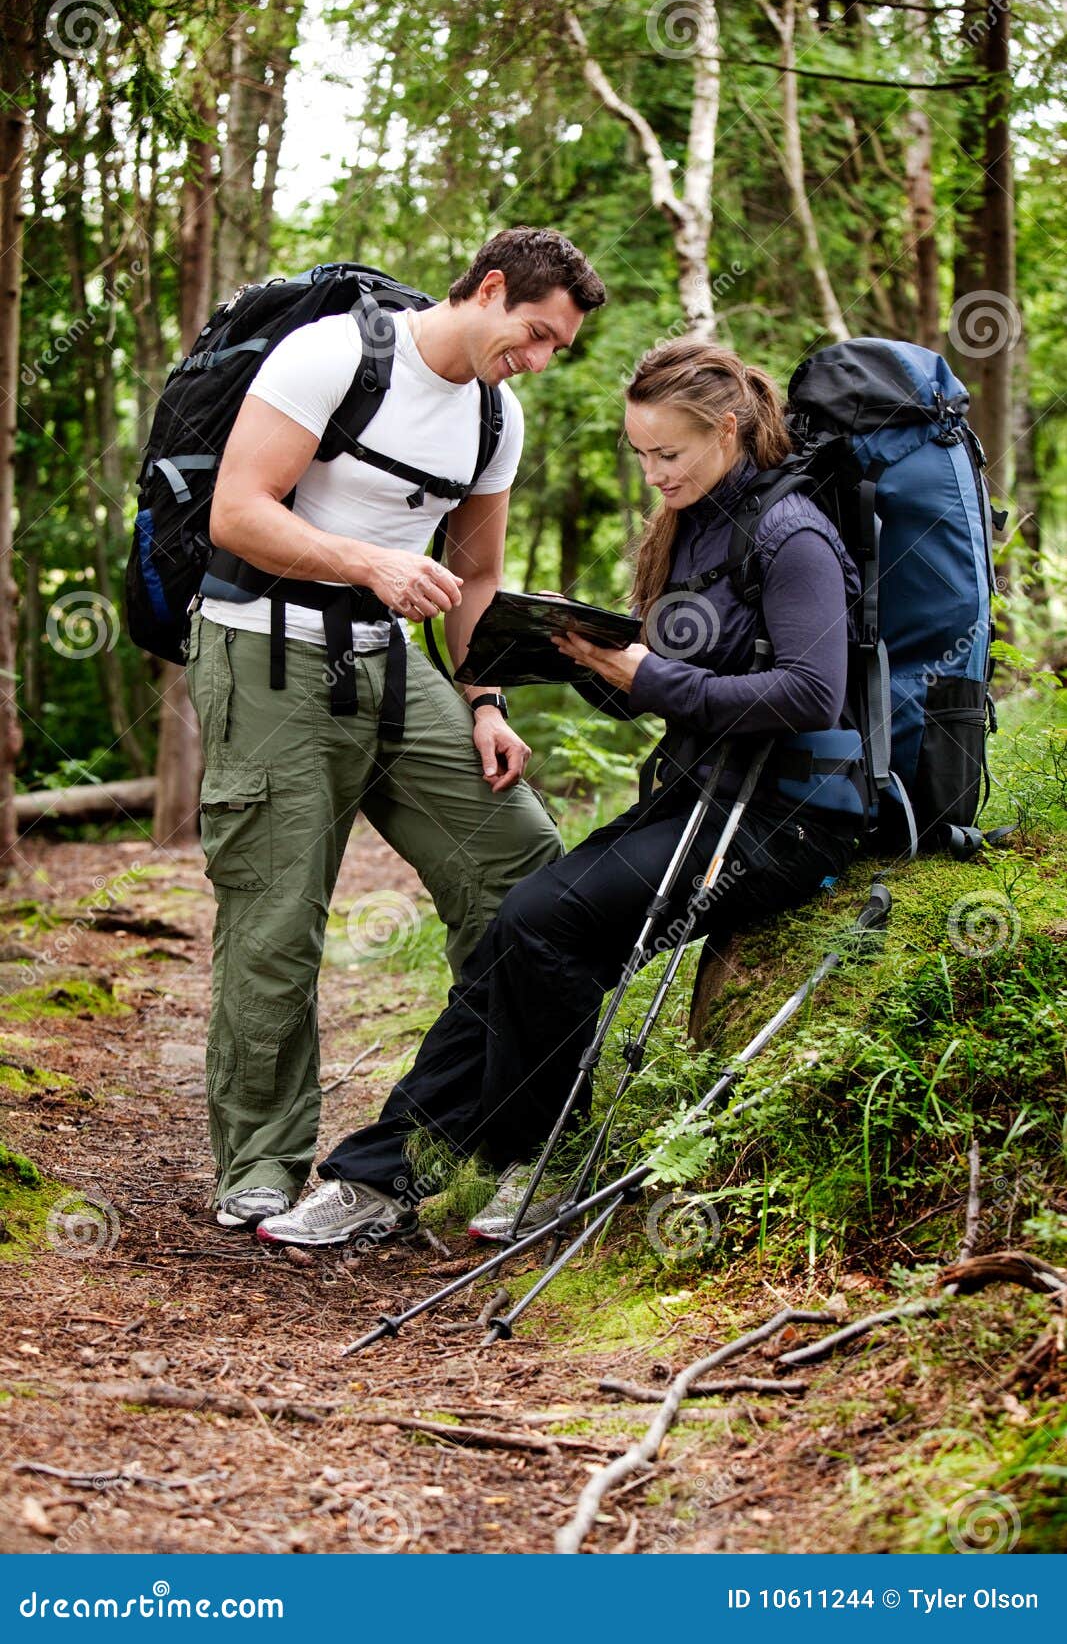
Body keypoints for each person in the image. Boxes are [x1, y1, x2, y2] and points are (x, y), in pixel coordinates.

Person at [256, 337, 862, 1250]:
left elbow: (811, 693)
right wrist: (575, 659)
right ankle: (379, 1175)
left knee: (542, 920)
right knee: (520, 932)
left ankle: (542, 1157)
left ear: (729, 430)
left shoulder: (793, 532)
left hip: (789, 815)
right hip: (700, 791)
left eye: (670, 453)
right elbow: (681, 676)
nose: (653, 473)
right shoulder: (693, 524)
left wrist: (645, 674)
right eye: (641, 454)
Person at [187, 227, 607, 1231]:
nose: (540, 360)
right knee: (276, 918)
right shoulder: (334, 354)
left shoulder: (494, 419)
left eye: (559, 349)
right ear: (491, 289)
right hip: (266, 651)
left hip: (390, 665)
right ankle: (259, 1160)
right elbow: (236, 513)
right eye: (535, 334)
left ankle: (505, 1128)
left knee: (522, 870)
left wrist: (485, 701)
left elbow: (477, 579)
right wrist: (367, 562)